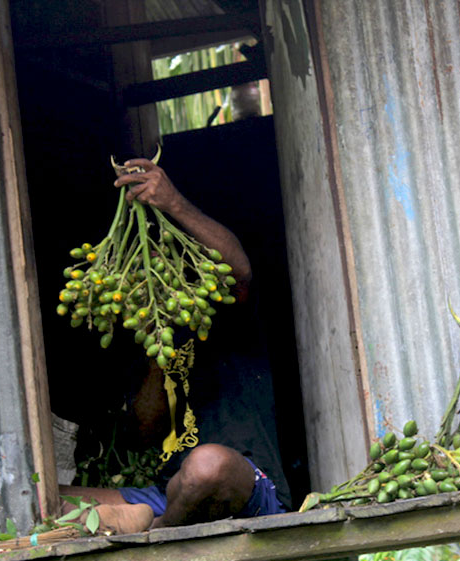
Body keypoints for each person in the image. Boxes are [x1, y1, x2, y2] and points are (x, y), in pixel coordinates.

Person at [58, 157, 290, 533]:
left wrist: (172, 202)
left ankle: (159, 530)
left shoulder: (220, 304)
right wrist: (156, 347)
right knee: (48, 501)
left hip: (245, 484)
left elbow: (240, 270)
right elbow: (145, 432)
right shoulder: (150, 336)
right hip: (171, 491)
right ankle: (159, 518)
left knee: (206, 466)